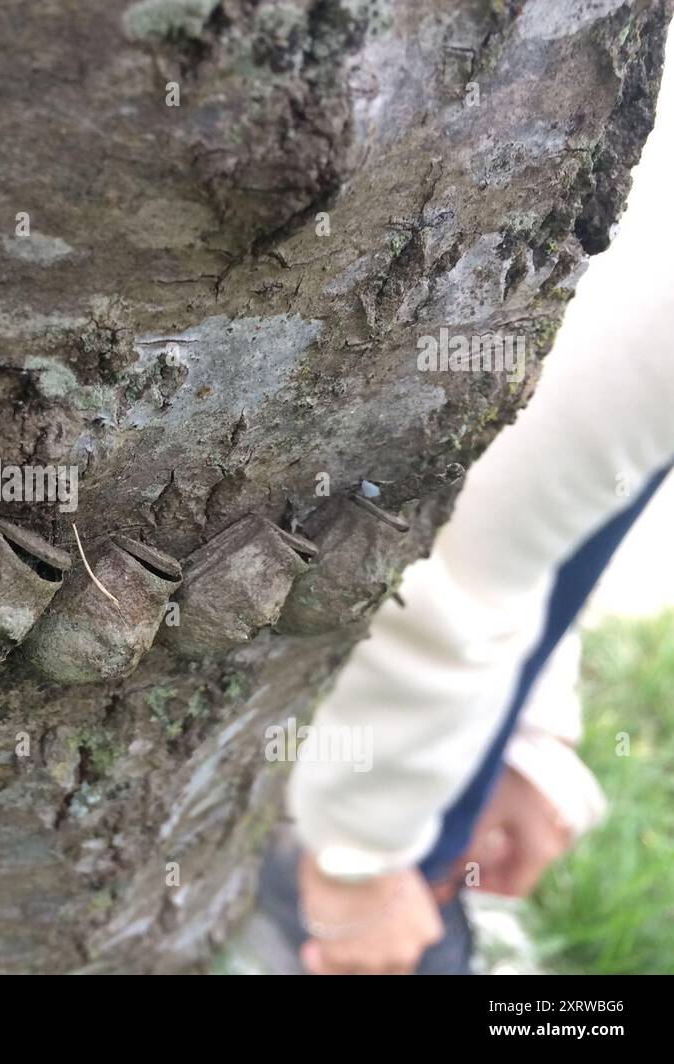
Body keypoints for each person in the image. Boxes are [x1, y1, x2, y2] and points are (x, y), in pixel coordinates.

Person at [273, 78, 674, 975]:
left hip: (429, 709)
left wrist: (526, 730)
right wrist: (356, 875)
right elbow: (447, 551)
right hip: (350, 733)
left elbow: (556, 485)